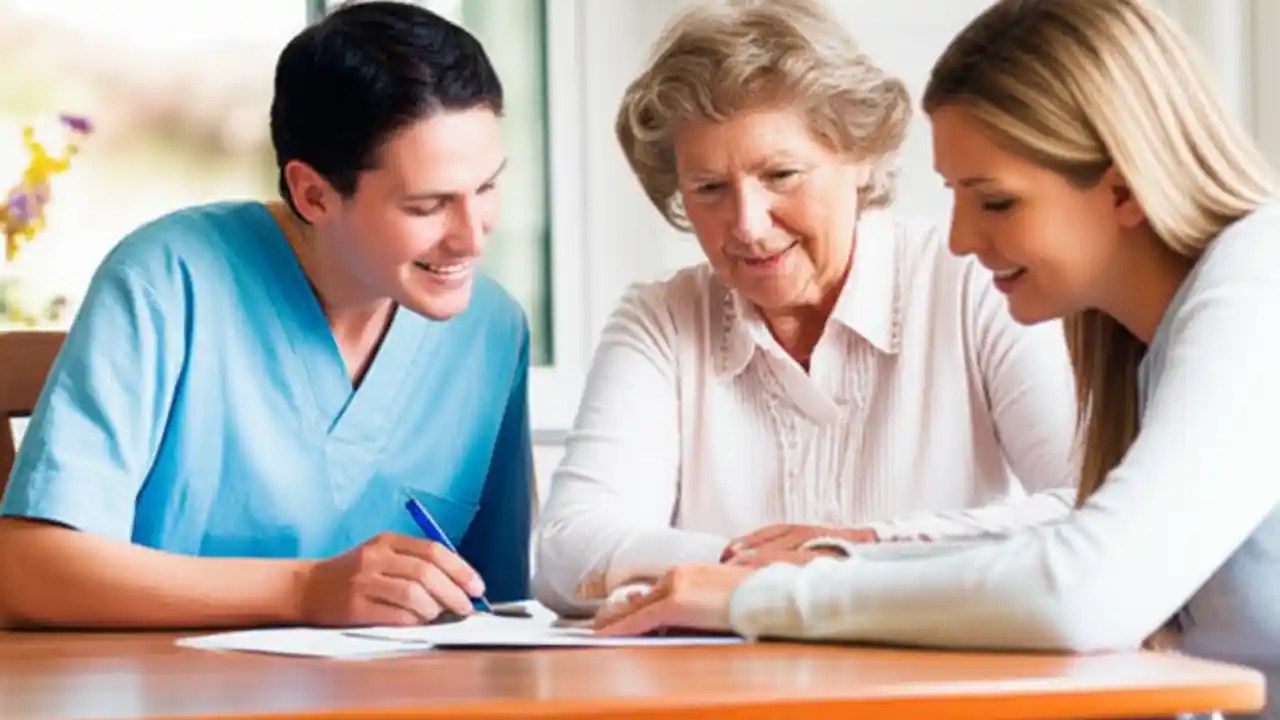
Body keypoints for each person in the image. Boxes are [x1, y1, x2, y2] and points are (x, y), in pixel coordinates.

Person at [595, 0, 1280, 716]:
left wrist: (761, 594)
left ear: (1123, 188)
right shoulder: (1139, 340)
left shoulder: (1259, 286)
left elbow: (1086, 590)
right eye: (955, 196)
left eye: (996, 202)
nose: (959, 239)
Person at [533, 0, 1080, 617]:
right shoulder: (662, 318)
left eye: (782, 175)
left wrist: (853, 554)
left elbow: (1087, 508)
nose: (747, 224)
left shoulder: (970, 283)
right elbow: (567, 552)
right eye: (709, 189)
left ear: (861, 157)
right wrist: (758, 571)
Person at [0, 1, 532, 629]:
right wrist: (305, 591)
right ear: (313, 194)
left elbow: (501, 607)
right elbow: (26, 571)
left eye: (487, 187)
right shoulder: (168, 281)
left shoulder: (492, 332)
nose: (472, 237)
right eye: (427, 206)